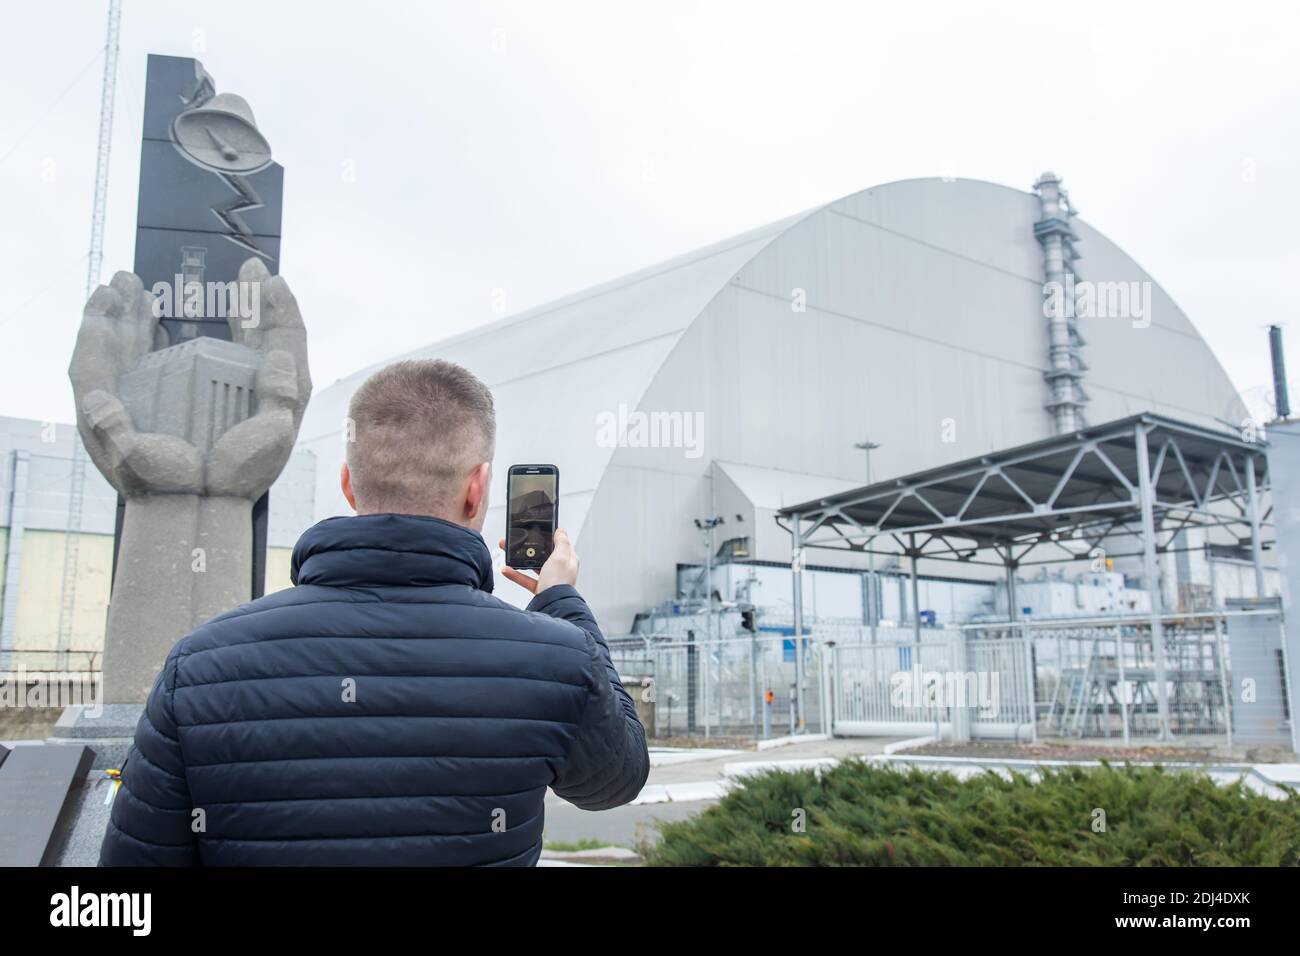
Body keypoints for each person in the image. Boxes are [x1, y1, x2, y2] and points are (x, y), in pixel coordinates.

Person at [100, 358, 650, 866]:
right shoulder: (554, 655)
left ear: (348, 484)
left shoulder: (198, 664)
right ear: (478, 488)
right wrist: (561, 602)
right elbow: (614, 782)